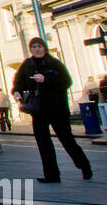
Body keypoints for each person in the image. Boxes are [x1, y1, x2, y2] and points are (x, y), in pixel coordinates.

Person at [13, 37, 93, 183]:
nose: (37, 49)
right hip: (38, 110)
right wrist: (17, 91)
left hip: (57, 109)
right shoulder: (28, 65)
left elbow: (67, 82)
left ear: (45, 48)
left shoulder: (54, 63)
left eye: (40, 46)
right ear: (31, 50)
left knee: (67, 139)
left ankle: (84, 165)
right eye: (34, 47)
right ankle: (51, 174)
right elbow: (18, 81)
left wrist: (46, 80)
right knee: (43, 143)